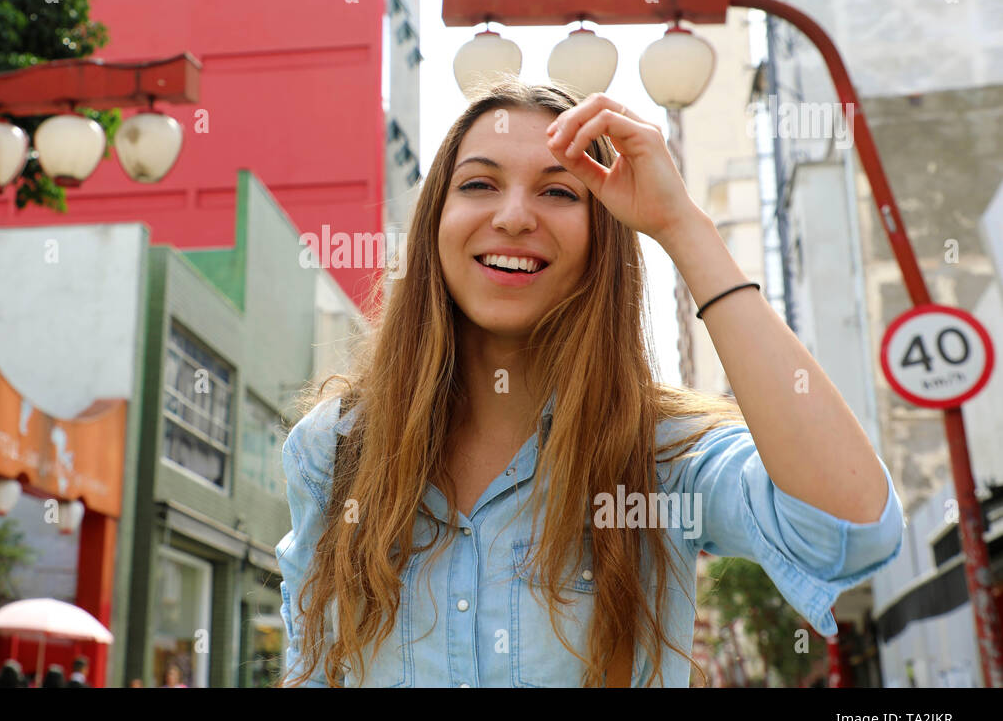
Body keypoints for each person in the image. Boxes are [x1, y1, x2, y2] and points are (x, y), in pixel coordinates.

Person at [275, 79, 905, 688]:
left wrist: (681, 225)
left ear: (603, 240)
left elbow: (849, 531)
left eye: (559, 192)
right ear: (435, 224)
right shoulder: (332, 449)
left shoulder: (665, 453)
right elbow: (309, 668)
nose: (516, 216)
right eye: (478, 184)